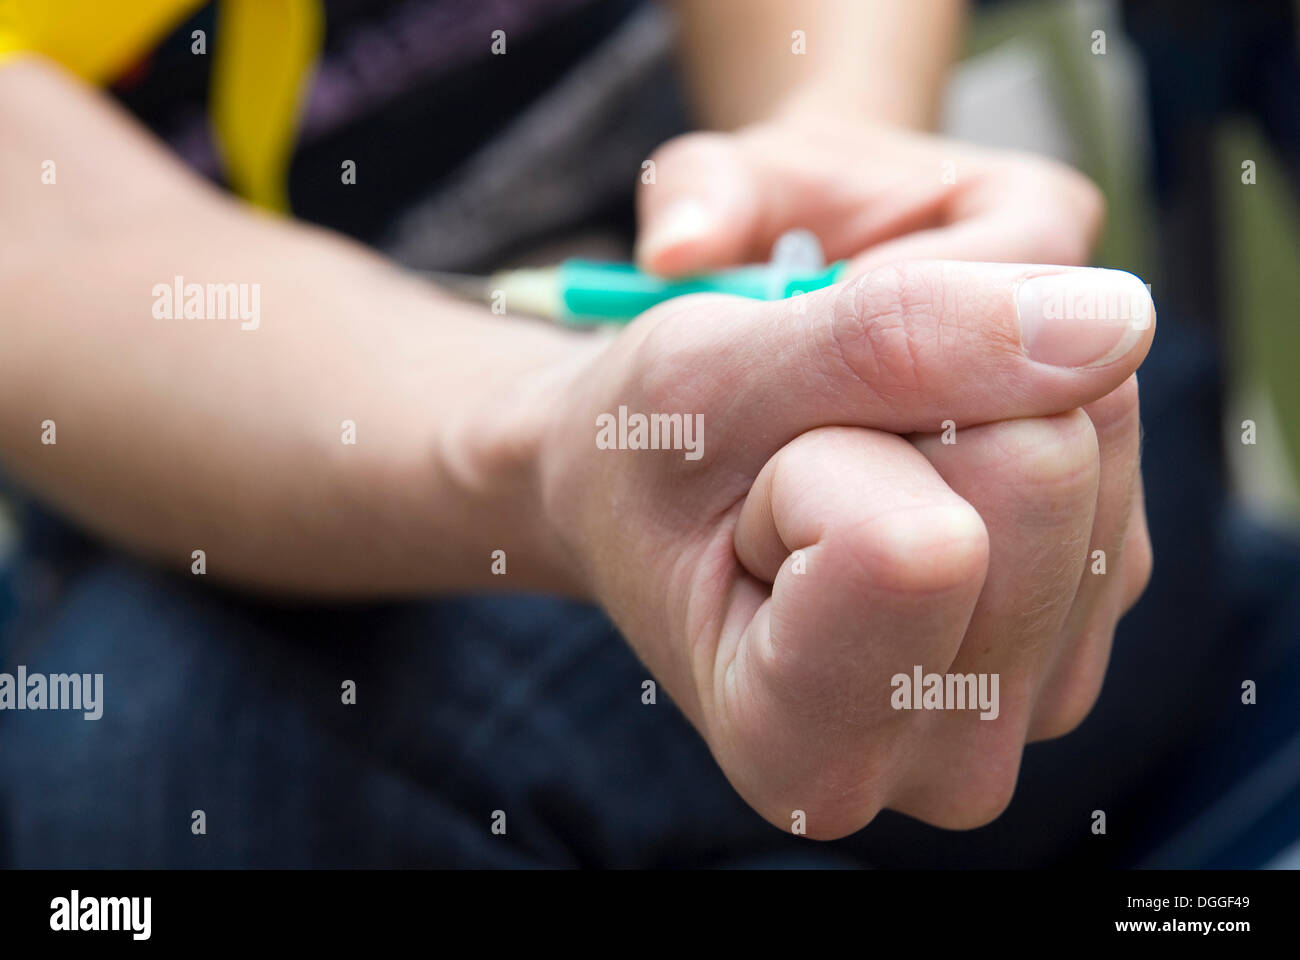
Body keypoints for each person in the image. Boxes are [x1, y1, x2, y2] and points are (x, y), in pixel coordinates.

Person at [0, 0, 1173, 865]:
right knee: (166, 770)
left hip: (900, 505)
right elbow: (49, 238)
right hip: (267, 480)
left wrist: (834, 139)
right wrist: (565, 436)